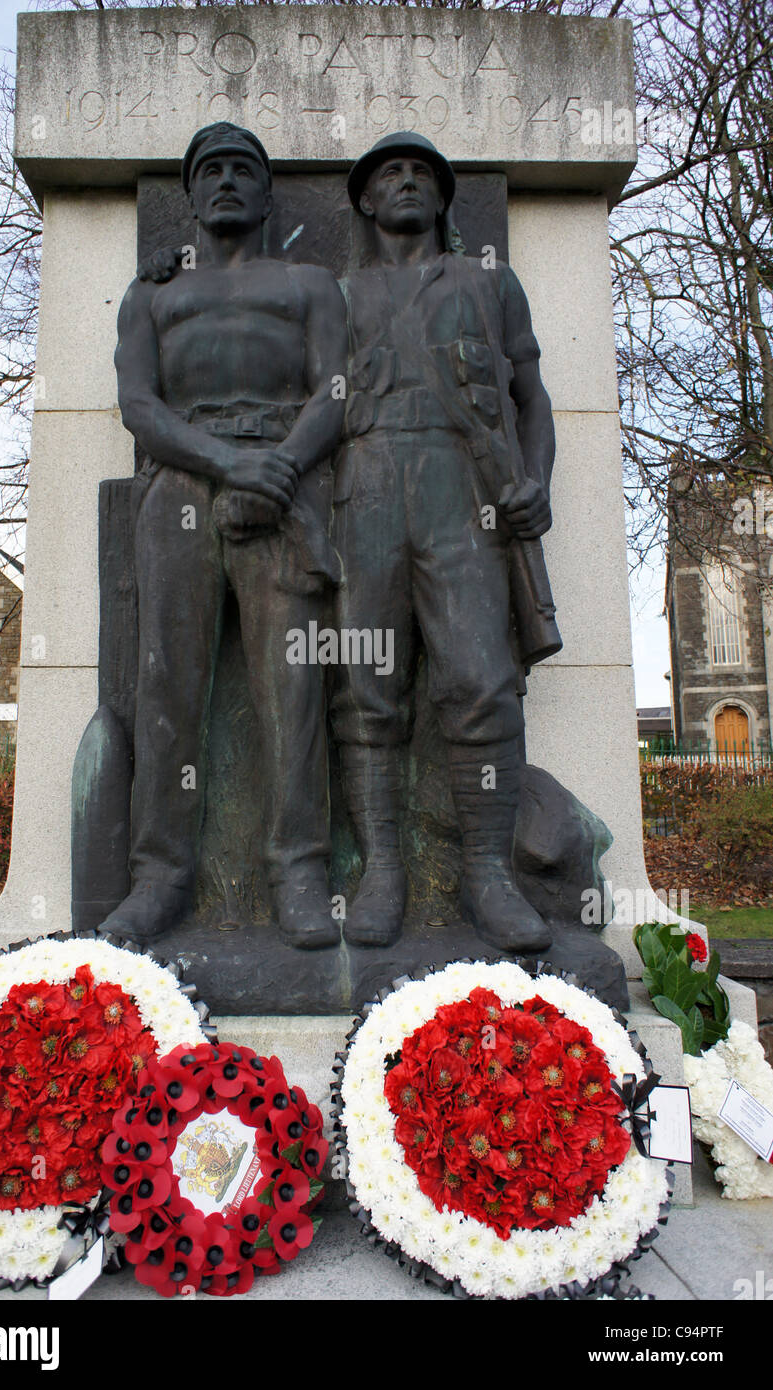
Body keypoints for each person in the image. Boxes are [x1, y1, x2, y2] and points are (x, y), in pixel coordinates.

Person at [103, 122, 347, 948]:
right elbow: (139, 406)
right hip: (180, 484)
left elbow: (337, 390)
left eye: (245, 169)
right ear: (191, 194)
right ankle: (160, 876)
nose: (228, 182)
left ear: (268, 191)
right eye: (210, 170)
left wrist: (275, 465)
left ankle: (299, 874)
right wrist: (223, 462)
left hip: (282, 487)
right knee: (168, 686)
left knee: (293, 690)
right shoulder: (152, 295)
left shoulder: (311, 283)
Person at [332, 132, 558, 953]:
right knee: (366, 683)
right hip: (362, 493)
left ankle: (488, 875)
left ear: (442, 196)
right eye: (389, 173)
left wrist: (534, 478)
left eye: (420, 173)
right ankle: (381, 870)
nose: (404, 183)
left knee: (482, 681)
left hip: (464, 493)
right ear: (363, 198)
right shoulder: (335, 293)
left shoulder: (488, 281)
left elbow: (530, 397)